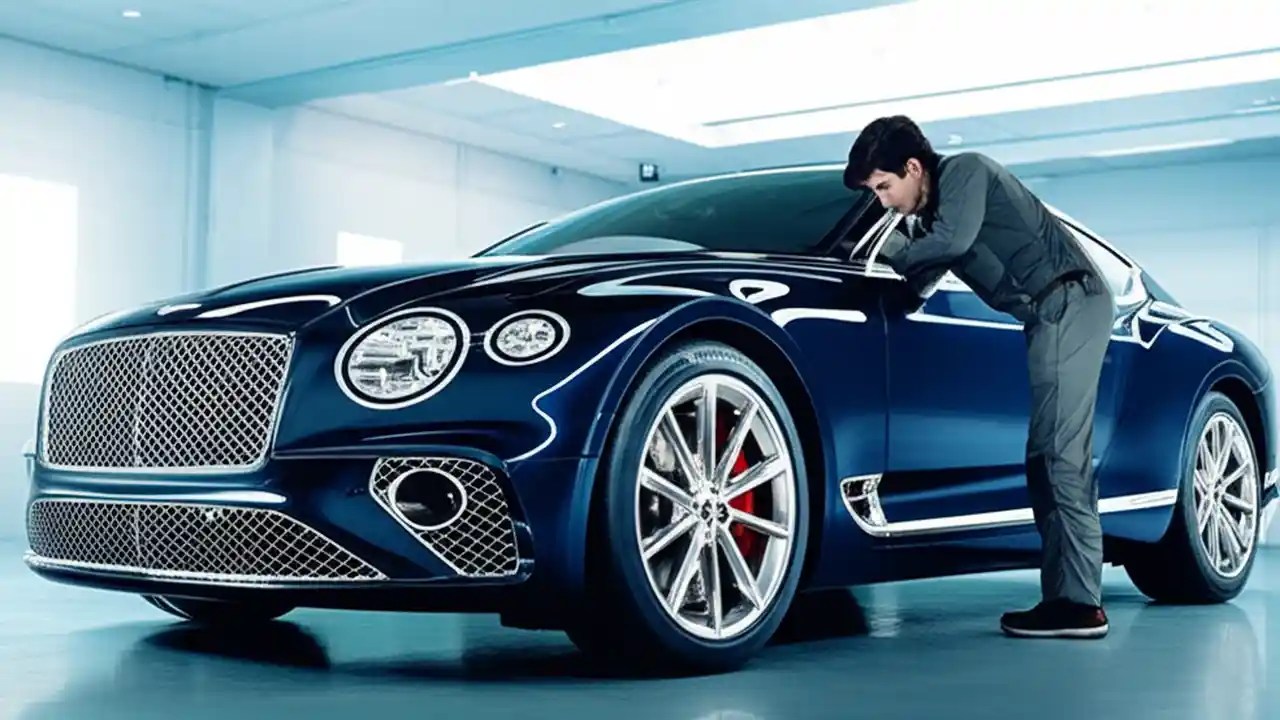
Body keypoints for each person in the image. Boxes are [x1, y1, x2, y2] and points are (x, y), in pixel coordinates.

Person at [843, 115, 1117, 639]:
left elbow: (950, 241)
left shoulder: (966, 174)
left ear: (914, 167)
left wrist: (883, 247)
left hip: (1070, 300)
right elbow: (917, 279)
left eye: (884, 187)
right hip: (1047, 315)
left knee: (1060, 455)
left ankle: (1080, 606)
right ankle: (1066, 599)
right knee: (1044, 459)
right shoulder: (929, 220)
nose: (883, 202)